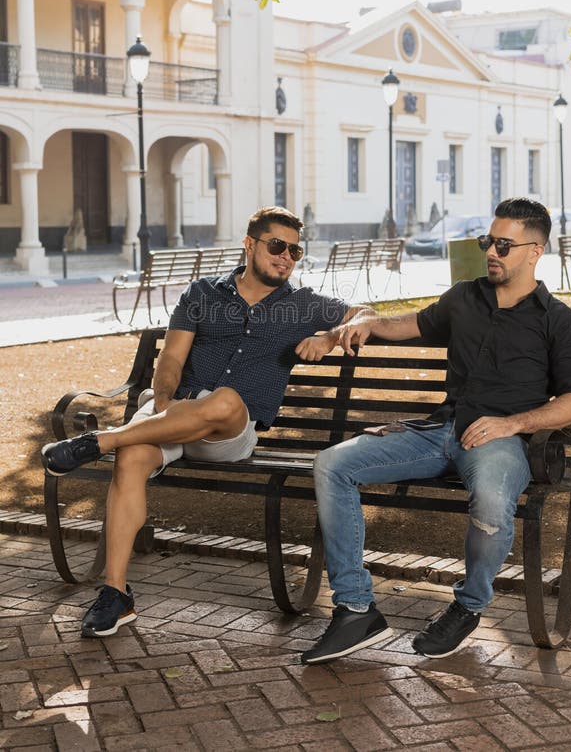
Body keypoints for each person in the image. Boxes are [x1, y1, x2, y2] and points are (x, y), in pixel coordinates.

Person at [42, 206, 367, 638]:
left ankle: (99, 441)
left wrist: (327, 336)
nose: (286, 256)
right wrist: (162, 404)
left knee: (228, 400)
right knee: (133, 457)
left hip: (229, 432)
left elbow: (364, 313)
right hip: (169, 414)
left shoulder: (303, 305)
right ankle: (115, 594)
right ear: (249, 245)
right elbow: (171, 360)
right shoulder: (202, 293)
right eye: (276, 246)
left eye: (295, 250)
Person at [298, 198, 571, 664]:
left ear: (535, 251)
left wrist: (513, 423)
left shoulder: (558, 321)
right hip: (439, 431)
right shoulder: (465, 297)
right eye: (486, 242)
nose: (490, 252)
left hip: (501, 441)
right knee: (332, 463)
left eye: (503, 244)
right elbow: (411, 324)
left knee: (494, 501)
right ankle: (355, 609)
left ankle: (468, 605)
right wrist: (365, 323)